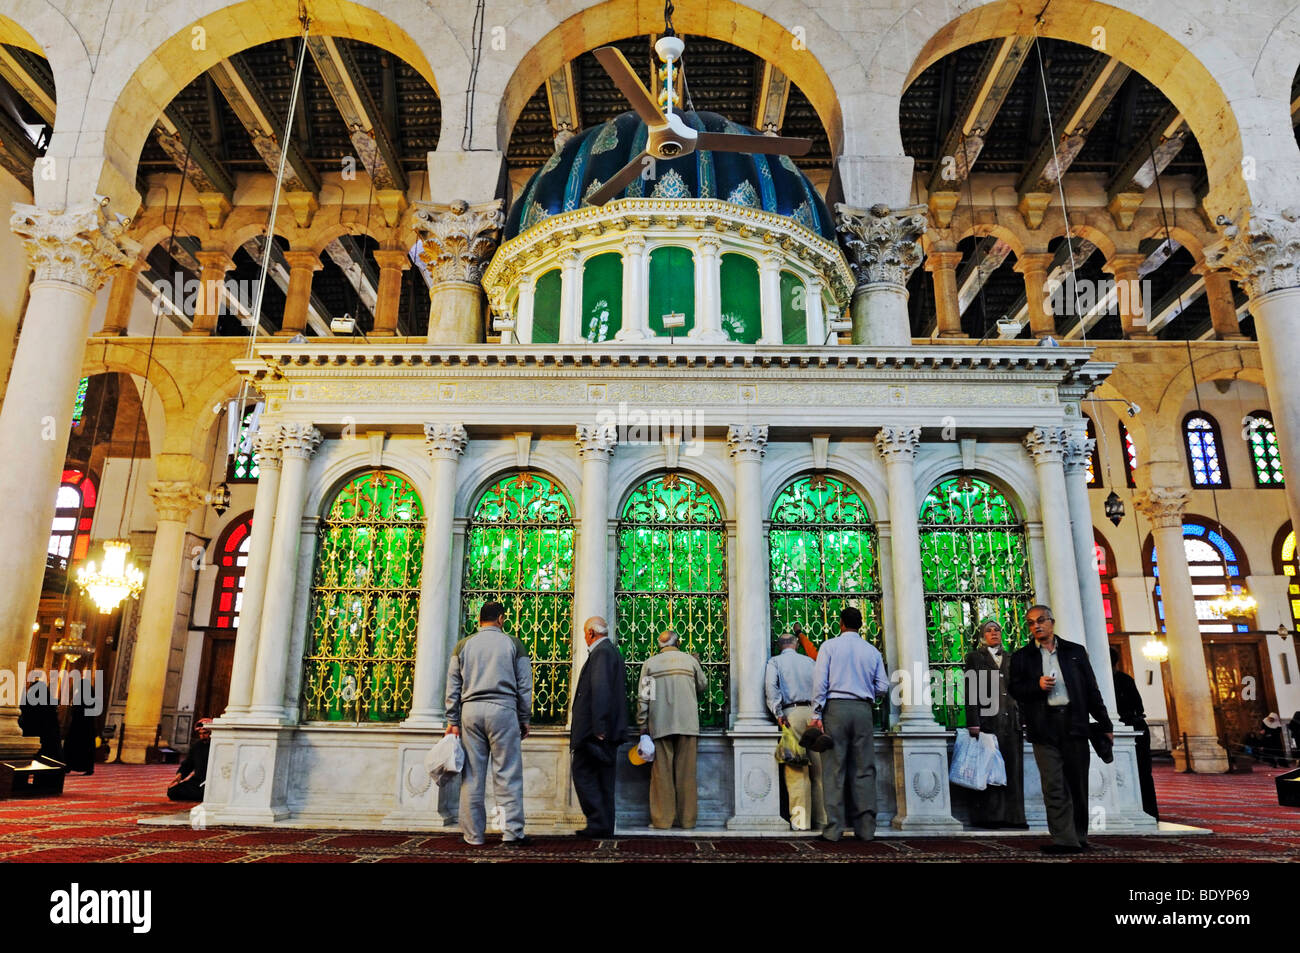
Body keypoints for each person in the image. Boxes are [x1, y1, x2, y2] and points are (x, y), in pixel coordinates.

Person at [1009, 604, 1112, 854]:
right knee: (1053, 785)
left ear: (1052, 622)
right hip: (1044, 727)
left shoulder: (1075, 652)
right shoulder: (1023, 657)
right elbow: (1015, 690)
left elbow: (1091, 690)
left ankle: (1079, 836)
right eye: (1031, 623)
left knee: (1077, 784)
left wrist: (1105, 723)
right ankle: (1064, 839)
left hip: (1074, 724)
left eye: (1041, 620)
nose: (1037, 626)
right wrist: (1037, 685)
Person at [445, 601, 533, 847]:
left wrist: (452, 720)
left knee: (472, 776)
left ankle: (473, 835)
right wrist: (524, 717)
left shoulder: (463, 645)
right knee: (506, 774)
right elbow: (525, 685)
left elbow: (452, 686)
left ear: (480, 619)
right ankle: (510, 832)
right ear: (501, 619)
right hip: (503, 710)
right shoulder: (513, 644)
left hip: (470, 712)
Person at [811, 606, 890, 842]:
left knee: (834, 770)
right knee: (864, 768)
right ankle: (866, 830)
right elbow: (883, 686)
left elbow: (820, 683)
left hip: (835, 709)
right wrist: (868, 696)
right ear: (861, 625)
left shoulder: (830, 647)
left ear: (841, 624)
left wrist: (817, 713)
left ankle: (833, 830)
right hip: (863, 710)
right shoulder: (872, 651)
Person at [637, 629, 708, 830]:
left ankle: (662, 820)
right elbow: (702, 686)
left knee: (662, 774)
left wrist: (643, 725)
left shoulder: (650, 664)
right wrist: (697, 663)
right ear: (678, 643)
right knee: (687, 774)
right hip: (688, 725)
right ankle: (687, 821)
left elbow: (644, 698)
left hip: (660, 724)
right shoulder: (690, 661)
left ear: (659, 646)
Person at [962, 618, 1026, 829]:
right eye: (989, 630)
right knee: (989, 770)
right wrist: (974, 721)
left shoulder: (1011, 657)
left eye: (997, 630)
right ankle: (989, 817)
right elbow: (971, 691)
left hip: (1011, 720)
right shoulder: (975, 658)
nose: (994, 633)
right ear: (982, 636)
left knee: (1013, 769)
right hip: (988, 721)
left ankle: (1015, 816)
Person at [570, 616, 627, 838]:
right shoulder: (610, 650)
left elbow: (601, 689)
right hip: (605, 728)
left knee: (582, 771)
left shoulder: (602, 652)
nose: (585, 637)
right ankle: (604, 825)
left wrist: (598, 726)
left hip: (595, 731)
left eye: (585, 633)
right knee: (604, 777)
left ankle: (597, 821)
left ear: (591, 633)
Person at [765, 632, 825, 831]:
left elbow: (771, 687)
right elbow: (821, 686)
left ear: (779, 646)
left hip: (792, 713)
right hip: (813, 715)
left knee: (797, 771)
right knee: (819, 771)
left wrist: (778, 713)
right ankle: (823, 820)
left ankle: (801, 822)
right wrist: (818, 713)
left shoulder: (775, 662)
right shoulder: (809, 662)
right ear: (796, 644)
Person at [1112, 648, 1158, 820]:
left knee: (1142, 773)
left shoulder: (1122, 681)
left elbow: (1137, 708)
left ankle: (1148, 812)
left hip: (1134, 730)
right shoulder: (1122, 680)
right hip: (1132, 728)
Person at [167, 718, 212, 801]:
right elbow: (188, 764)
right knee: (172, 791)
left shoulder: (217, 746)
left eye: (205, 733)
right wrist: (180, 775)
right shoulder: (197, 746)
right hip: (197, 781)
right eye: (200, 734)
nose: (202, 737)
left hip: (210, 782)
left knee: (206, 793)